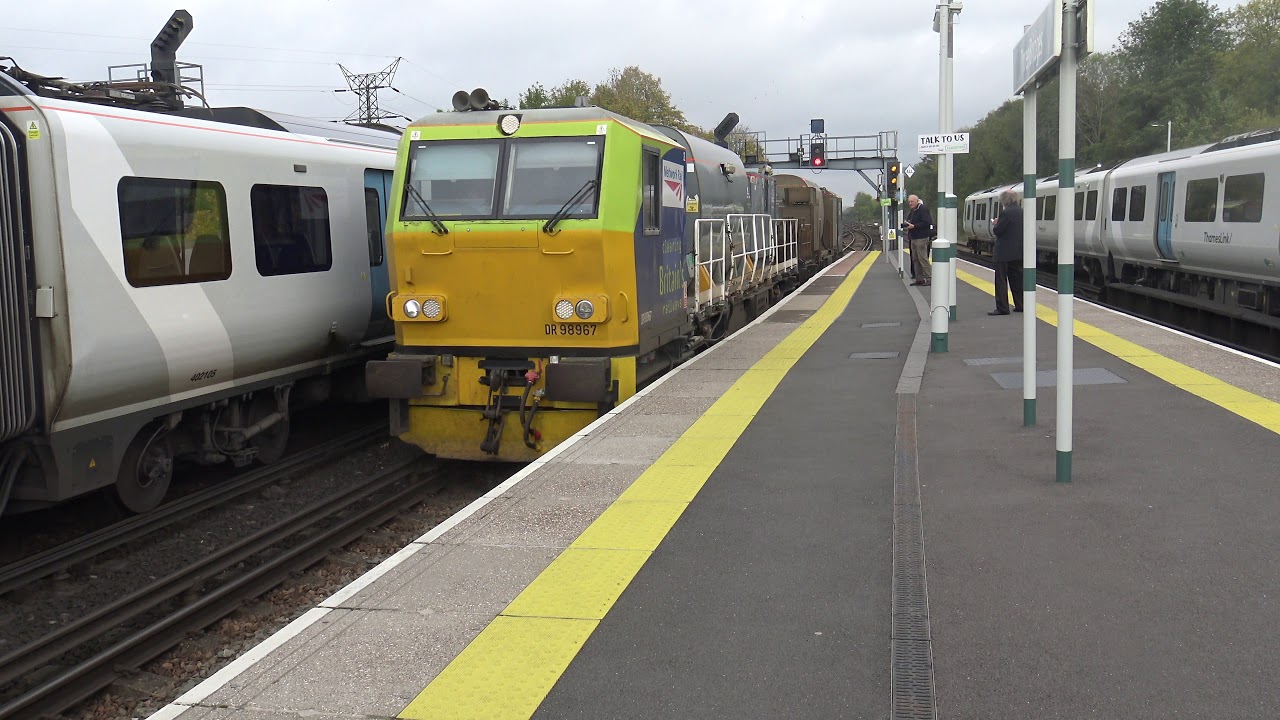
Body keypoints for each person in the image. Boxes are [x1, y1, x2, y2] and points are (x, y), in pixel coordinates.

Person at [989, 189, 1024, 315]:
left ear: (1005, 200)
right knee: (1017, 280)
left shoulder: (1006, 213)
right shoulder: (1021, 211)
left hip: (1004, 253)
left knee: (1001, 280)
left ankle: (1002, 307)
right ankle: (1020, 304)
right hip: (1018, 252)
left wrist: (995, 223)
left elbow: (998, 231)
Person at [905, 195, 934, 286]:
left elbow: (927, 222)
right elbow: (911, 221)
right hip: (913, 237)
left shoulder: (923, 209)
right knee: (915, 259)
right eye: (909, 201)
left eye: (912, 201)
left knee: (922, 258)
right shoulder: (913, 211)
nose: (910, 203)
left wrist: (915, 226)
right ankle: (919, 279)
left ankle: (929, 278)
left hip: (921, 237)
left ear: (917, 201)